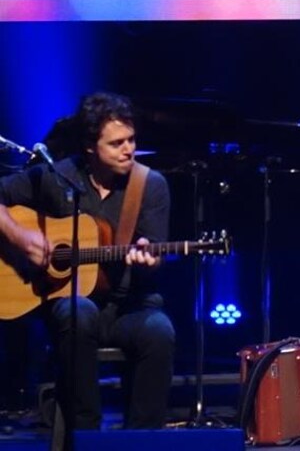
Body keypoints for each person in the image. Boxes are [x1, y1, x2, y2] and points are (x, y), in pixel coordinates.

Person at [0, 92, 175, 431]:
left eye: (131, 140)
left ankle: (143, 439)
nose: (129, 150)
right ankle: (85, 435)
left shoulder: (149, 185)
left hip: (131, 305)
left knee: (159, 331)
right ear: (91, 148)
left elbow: (154, 250)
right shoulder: (55, 177)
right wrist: (21, 238)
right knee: (78, 313)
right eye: (117, 143)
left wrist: (149, 259)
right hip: (73, 302)